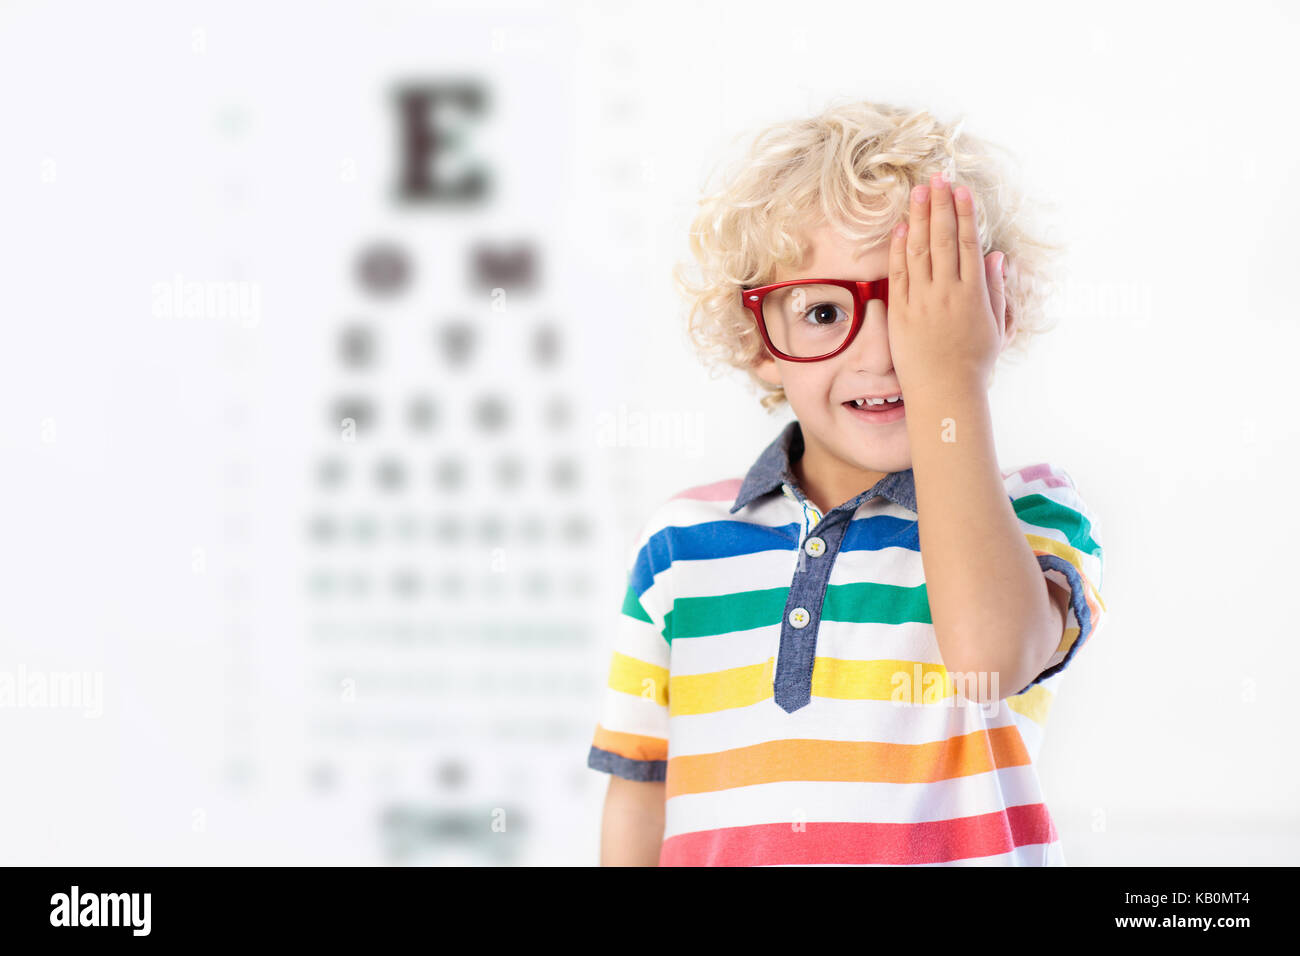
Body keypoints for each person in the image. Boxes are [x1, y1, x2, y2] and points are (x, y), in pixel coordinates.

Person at [587, 100, 1107, 866]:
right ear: (759, 339)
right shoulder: (679, 544)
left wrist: (952, 378)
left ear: (991, 314)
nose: (881, 354)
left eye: (916, 307)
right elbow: (639, 781)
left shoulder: (1031, 511)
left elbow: (991, 658)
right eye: (826, 310)